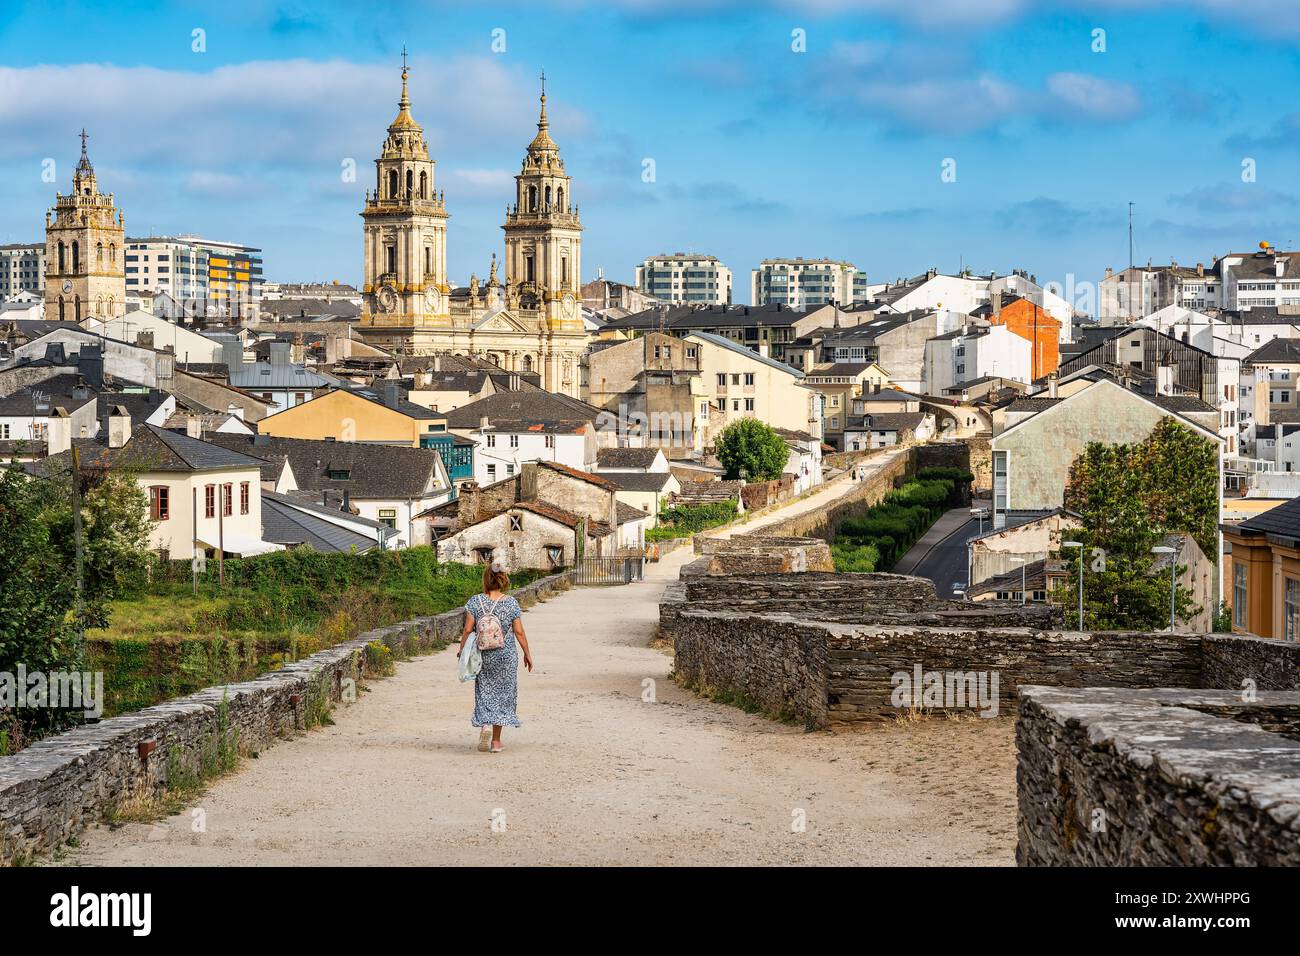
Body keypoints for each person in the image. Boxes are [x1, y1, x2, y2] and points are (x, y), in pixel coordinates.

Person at [457, 556, 533, 753]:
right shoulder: (511, 603)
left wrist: (462, 650)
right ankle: (496, 741)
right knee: (504, 694)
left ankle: (485, 726)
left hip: (483, 655)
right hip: (506, 655)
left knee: (484, 691)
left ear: (486, 579)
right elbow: (519, 632)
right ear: (503, 579)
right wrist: (527, 653)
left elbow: (467, 630)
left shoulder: (475, 601)